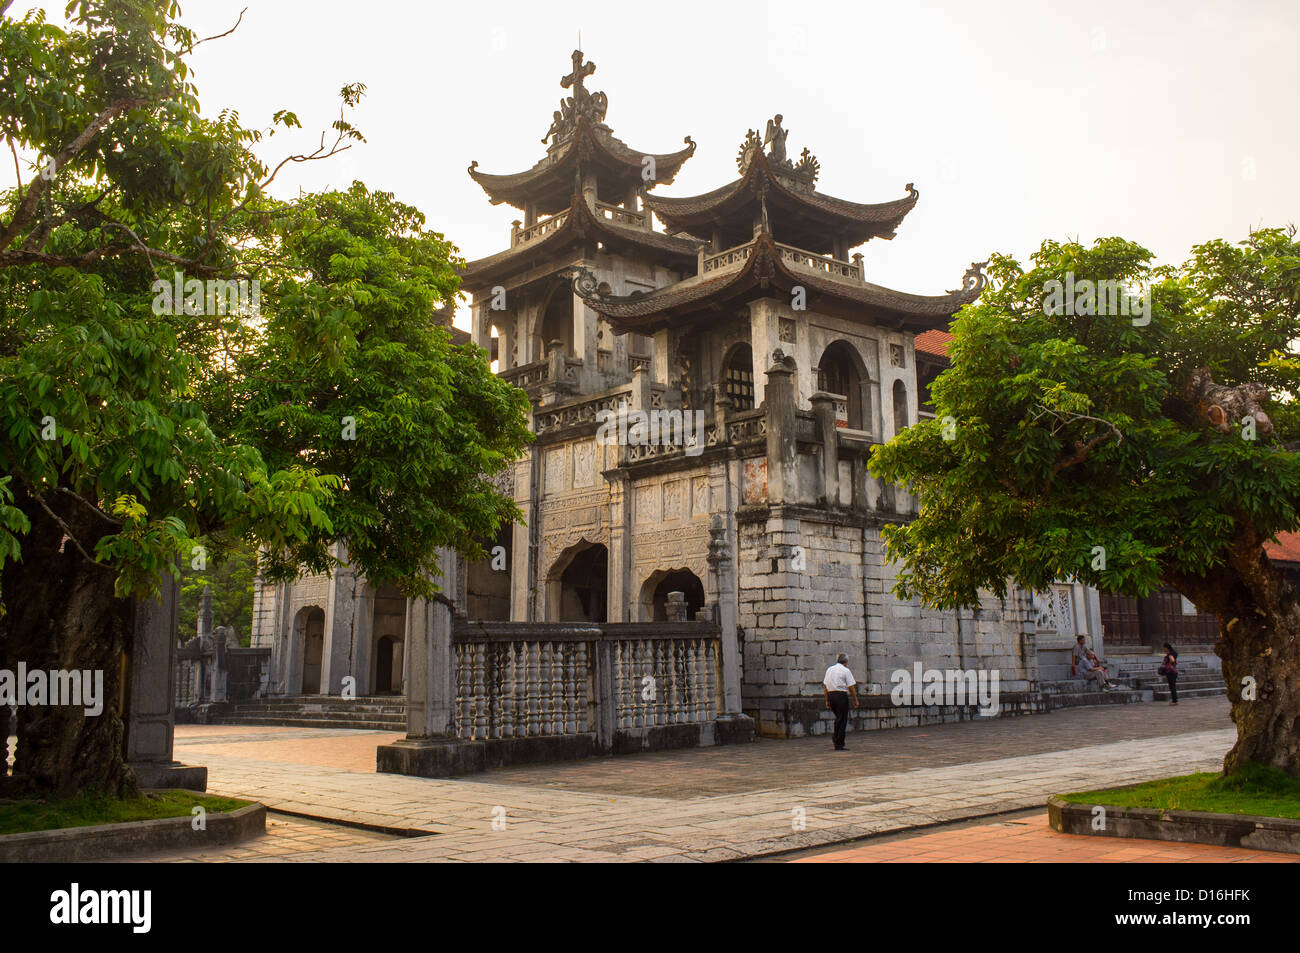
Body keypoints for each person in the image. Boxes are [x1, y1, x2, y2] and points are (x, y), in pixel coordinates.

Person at [822, 653, 859, 751]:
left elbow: (825, 686)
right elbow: (851, 687)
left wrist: (827, 700)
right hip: (841, 696)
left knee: (839, 718)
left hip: (831, 695)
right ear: (846, 662)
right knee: (842, 719)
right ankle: (838, 742)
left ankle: (836, 739)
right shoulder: (845, 670)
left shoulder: (829, 669)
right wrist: (855, 700)